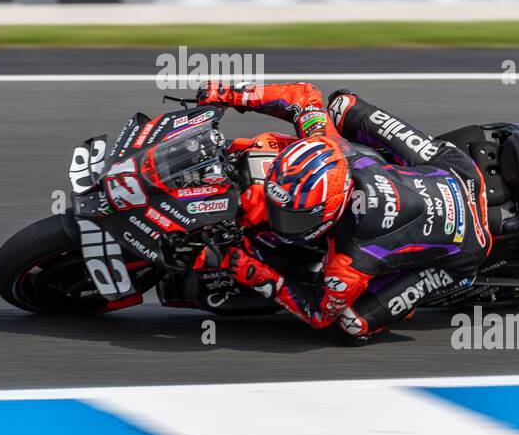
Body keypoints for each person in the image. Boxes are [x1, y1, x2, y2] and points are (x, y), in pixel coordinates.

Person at [196, 81, 492, 342]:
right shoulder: (325, 142)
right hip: (455, 170)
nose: (278, 218)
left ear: (330, 212)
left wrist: (257, 273)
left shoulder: (349, 262)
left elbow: (319, 313)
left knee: (352, 324)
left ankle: (411, 291)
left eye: (292, 216)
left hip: (466, 242)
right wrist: (232, 94)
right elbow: (301, 96)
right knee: (342, 104)